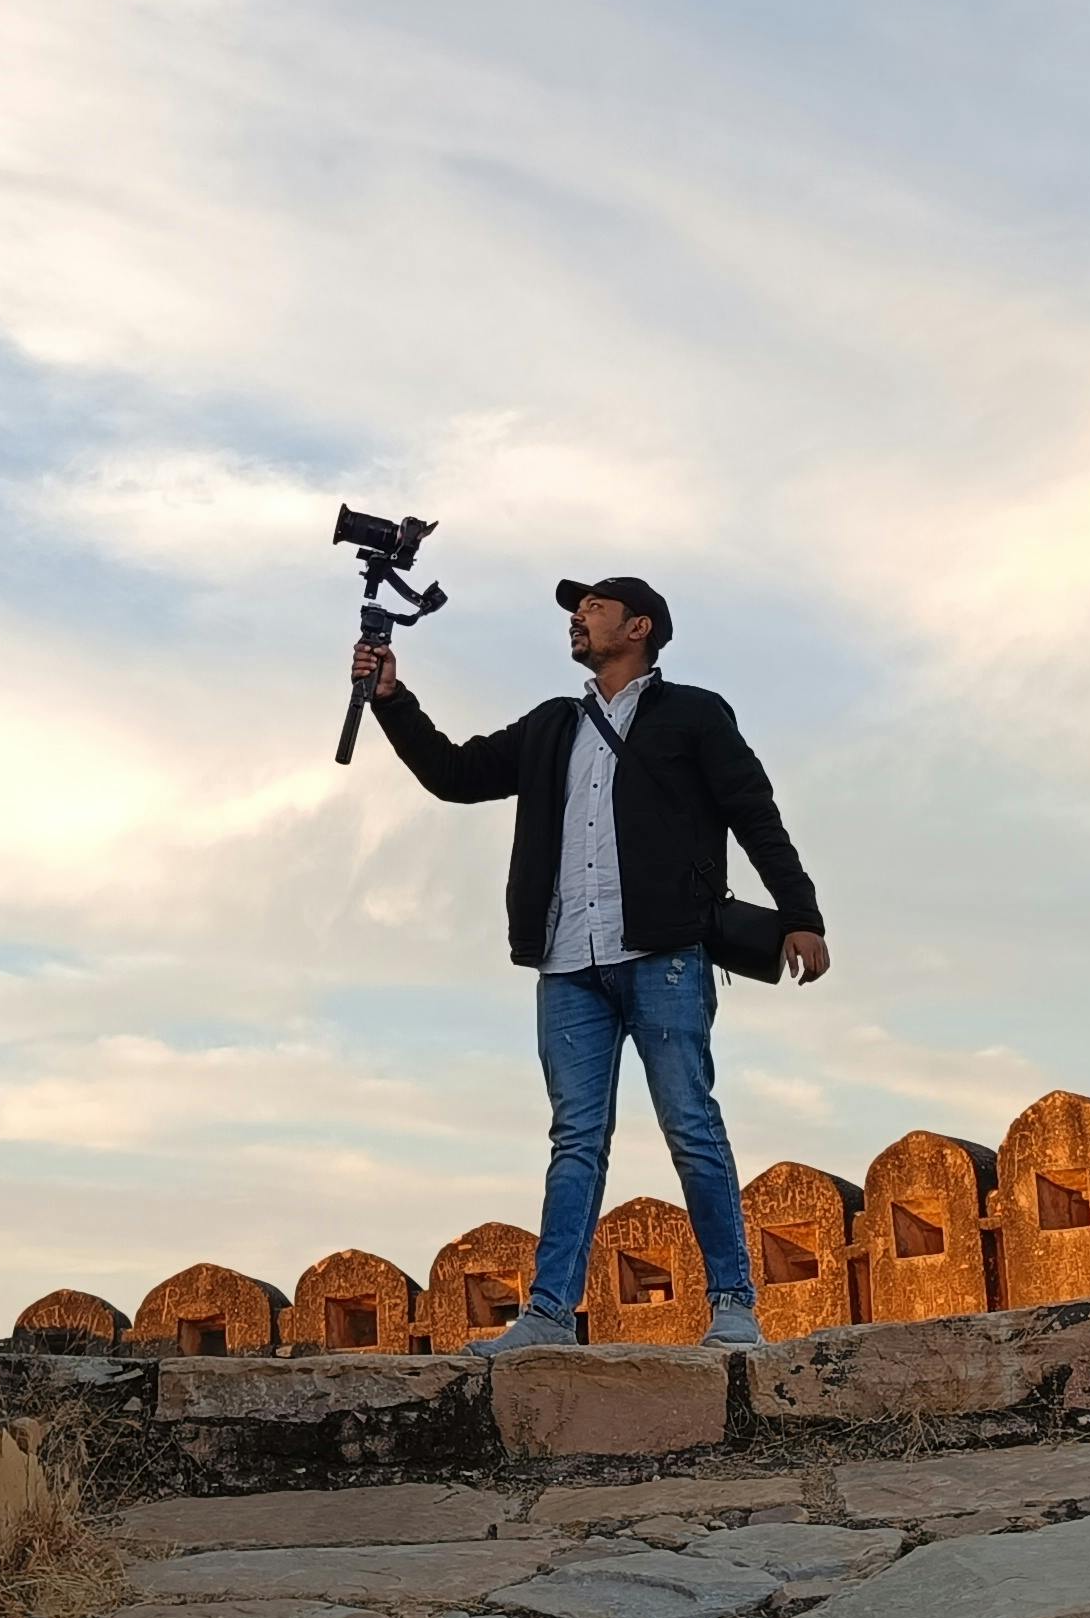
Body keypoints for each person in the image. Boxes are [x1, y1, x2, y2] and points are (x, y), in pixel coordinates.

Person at [352, 572, 828, 1353]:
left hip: (665, 955)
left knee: (692, 1127)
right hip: (569, 962)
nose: (580, 617)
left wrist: (801, 916)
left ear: (639, 627)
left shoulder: (695, 716)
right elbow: (454, 775)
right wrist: (392, 701)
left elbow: (754, 814)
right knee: (576, 1138)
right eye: (578, 610)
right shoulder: (552, 727)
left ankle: (734, 1306)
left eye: (596, 608)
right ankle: (546, 1317)